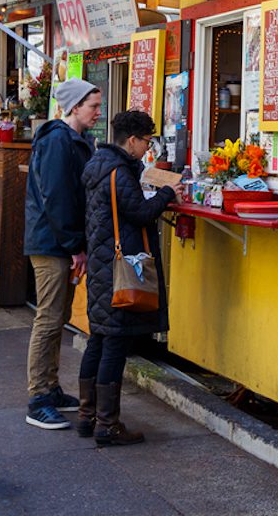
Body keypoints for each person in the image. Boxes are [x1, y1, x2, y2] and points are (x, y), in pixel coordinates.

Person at [78, 110, 181, 446]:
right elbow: (139, 212)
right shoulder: (119, 171)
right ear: (132, 140)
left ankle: (87, 416)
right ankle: (107, 426)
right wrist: (169, 193)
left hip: (101, 264)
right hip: (119, 270)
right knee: (115, 342)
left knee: (99, 338)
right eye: (146, 141)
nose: (147, 147)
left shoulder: (98, 164)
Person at [23, 79, 101, 430]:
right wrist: (74, 246)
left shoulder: (77, 140)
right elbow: (57, 197)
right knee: (49, 318)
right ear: (73, 107)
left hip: (60, 241)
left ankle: (51, 389)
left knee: (57, 317)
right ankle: (38, 397)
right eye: (93, 106)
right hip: (52, 243)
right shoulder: (58, 140)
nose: (97, 112)